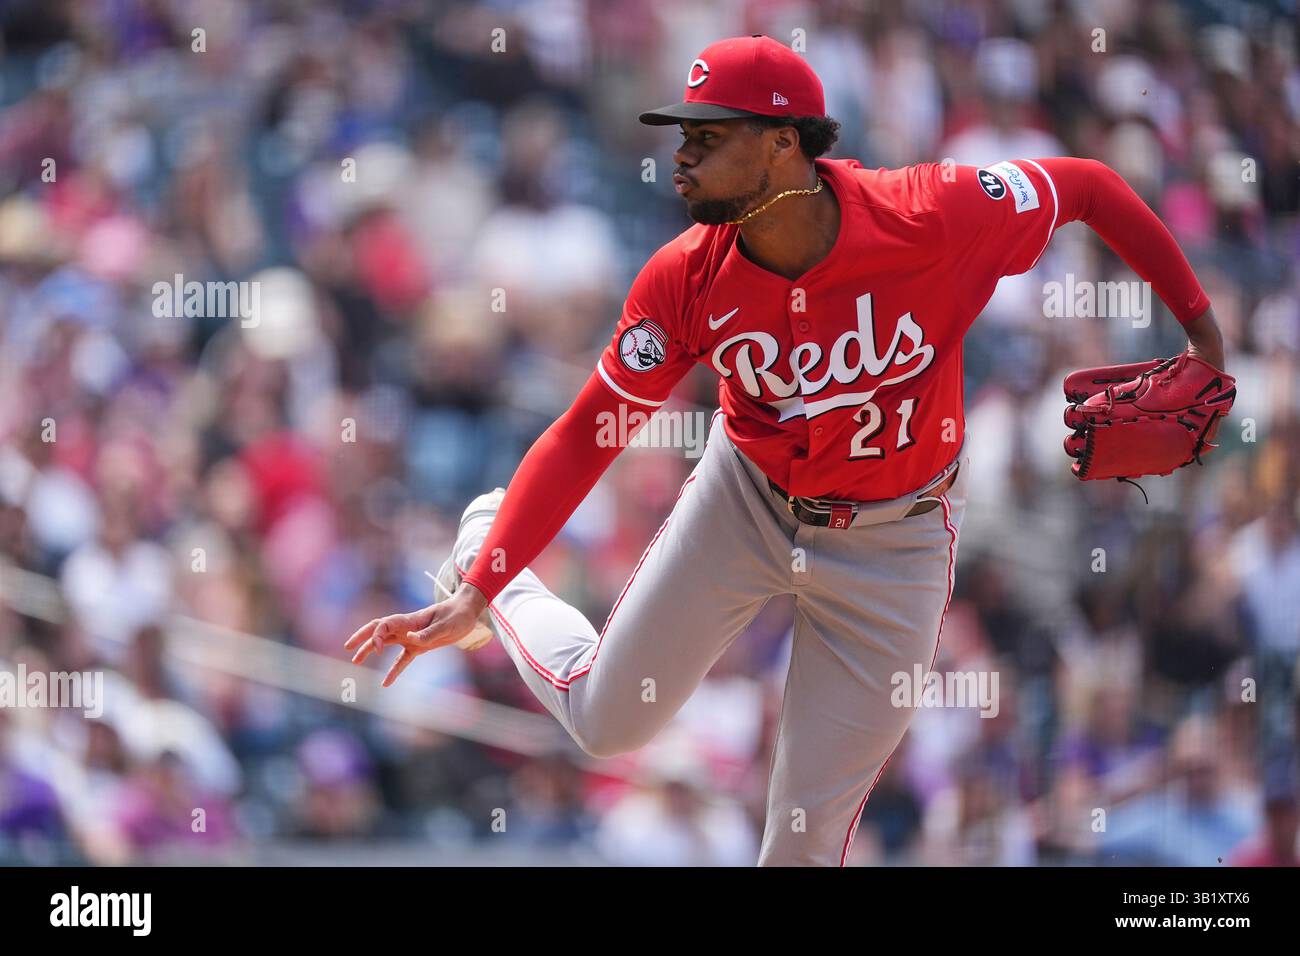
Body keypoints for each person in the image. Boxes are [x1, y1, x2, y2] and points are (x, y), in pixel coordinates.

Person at [347, 35, 1228, 866]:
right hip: (748, 497)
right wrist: (483, 584)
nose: (681, 153)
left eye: (707, 133)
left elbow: (1090, 186)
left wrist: (1204, 342)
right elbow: (590, 432)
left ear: (780, 146)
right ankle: (483, 536)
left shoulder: (935, 212)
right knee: (608, 722)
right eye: (681, 133)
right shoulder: (685, 276)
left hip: (896, 541)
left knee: (802, 845)